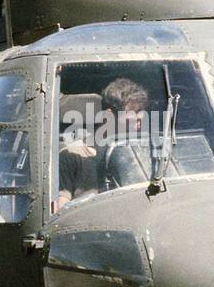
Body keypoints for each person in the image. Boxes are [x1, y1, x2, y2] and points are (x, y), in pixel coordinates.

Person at [57, 77, 149, 206]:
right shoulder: (73, 155)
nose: (140, 121)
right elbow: (59, 212)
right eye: (134, 114)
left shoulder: (138, 153)